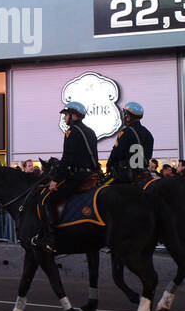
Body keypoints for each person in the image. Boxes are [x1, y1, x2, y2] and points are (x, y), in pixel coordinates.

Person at [34, 101, 100, 254]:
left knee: (46, 200)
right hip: (91, 174)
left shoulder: (71, 132)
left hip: (78, 176)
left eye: (66, 115)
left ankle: (50, 239)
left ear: (74, 116)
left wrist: (55, 180)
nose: (64, 118)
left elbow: (67, 160)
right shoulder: (90, 131)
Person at [108, 102, 153, 182]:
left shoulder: (125, 132)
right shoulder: (148, 134)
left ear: (128, 116)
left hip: (127, 175)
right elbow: (148, 155)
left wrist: (109, 166)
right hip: (143, 172)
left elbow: (116, 153)